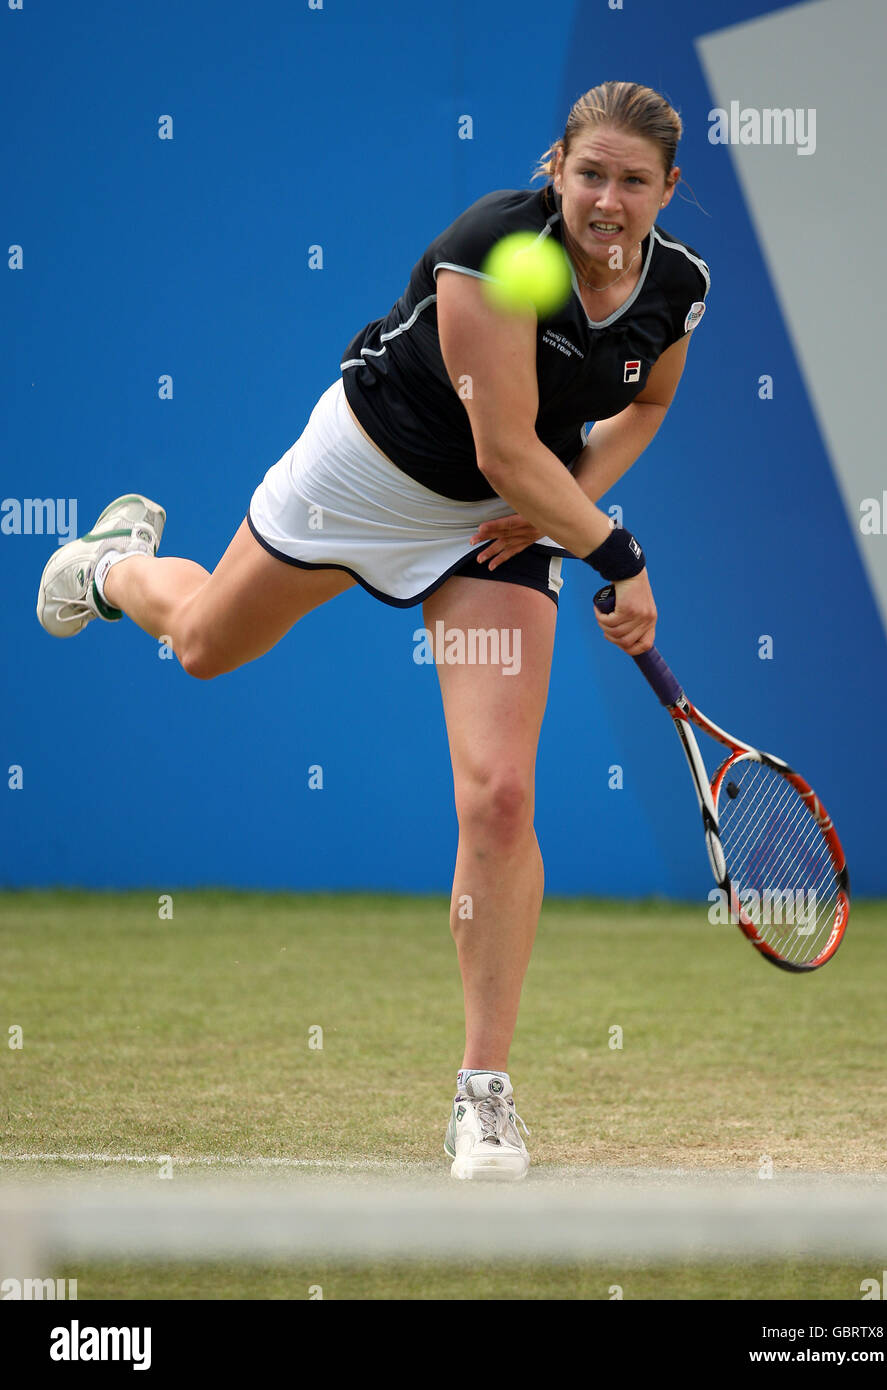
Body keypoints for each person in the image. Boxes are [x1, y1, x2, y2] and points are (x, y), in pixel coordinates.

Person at [36, 79, 709, 1182]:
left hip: (504, 523)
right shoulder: (487, 254)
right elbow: (501, 448)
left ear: (666, 189)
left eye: (633, 181)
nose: (607, 199)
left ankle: (481, 1097)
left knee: (498, 793)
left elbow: (646, 403)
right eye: (589, 173)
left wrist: (566, 509)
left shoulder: (676, 285)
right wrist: (614, 550)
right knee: (204, 643)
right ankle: (117, 567)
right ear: (557, 168)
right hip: (366, 474)